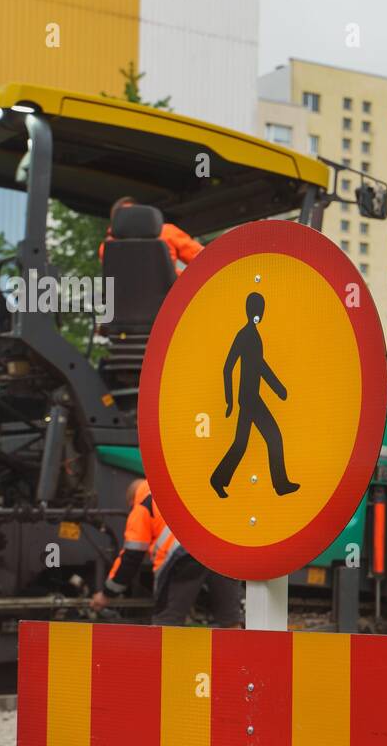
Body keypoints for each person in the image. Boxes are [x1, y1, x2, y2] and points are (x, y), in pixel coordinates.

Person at [91, 478, 242, 627]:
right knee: (231, 621)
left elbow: (131, 556)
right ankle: (239, 650)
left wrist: (106, 595)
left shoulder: (143, 506)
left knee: (166, 624)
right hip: (222, 550)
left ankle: (166, 650)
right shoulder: (176, 488)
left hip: (182, 557)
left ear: (132, 500)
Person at [210, 291, 299, 498]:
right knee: (273, 437)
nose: (261, 312)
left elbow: (260, 365)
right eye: (260, 308)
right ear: (253, 310)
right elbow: (227, 367)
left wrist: (279, 389)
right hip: (249, 399)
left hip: (249, 397)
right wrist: (229, 401)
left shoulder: (252, 335)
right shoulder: (245, 335)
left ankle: (218, 479)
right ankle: (280, 484)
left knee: (241, 443)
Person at [97, 196, 203, 272]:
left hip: (127, 302)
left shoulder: (107, 248)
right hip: (173, 299)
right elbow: (204, 260)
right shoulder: (167, 232)